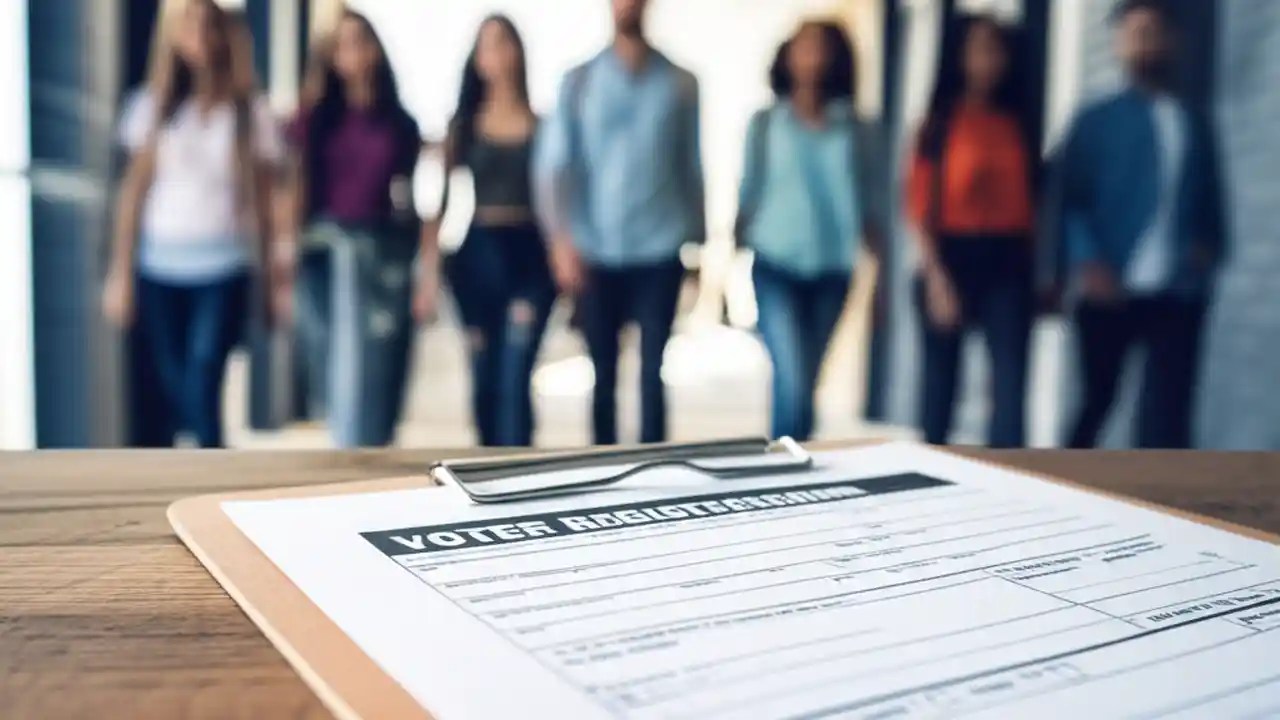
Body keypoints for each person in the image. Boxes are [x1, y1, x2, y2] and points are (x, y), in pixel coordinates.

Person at [103, 0, 282, 448]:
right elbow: (132, 195)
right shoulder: (150, 108)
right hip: (160, 267)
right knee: (174, 380)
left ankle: (211, 466)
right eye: (189, 26)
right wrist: (119, 274)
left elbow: (265, 204)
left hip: (223, 266)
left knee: (204, 374)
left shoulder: (248, 112)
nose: (200, 37)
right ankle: (200, 460)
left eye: (209, 26)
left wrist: (272, 279)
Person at [535, 0, 705, 446]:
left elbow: (690, 165)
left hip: (660, 245)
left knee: (653, 372)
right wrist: (560, 241)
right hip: (596, 248)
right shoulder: (579, 82)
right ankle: (605, 463)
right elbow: (555, 167)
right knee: (602, 372)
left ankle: (656, 465)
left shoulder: (681, 84)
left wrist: (699, 243)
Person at [1059, 0, 1224, 449]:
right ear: (1119, 44)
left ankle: (1164, 492)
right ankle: (1063, 483)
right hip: (1108, 287)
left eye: (1152, 33)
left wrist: (1207, 249)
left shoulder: (1192, 121)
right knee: (1096, 402)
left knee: (1169, 414)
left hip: (1176, 291)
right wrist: (1088, 262)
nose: (1143, 44)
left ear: (1172, 40)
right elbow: (1069, 200)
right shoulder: (1096, 121)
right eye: (1133, 34)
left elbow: (1210, 199)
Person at [284, 10, 428, 448]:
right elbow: (295, 186)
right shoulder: (315, 119)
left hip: (380, 253)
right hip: (324, 252)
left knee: (379, 366)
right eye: (342, 44)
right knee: (333, 364)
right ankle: (345, 448)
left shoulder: (399, 123)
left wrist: (420, 266)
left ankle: (372, 447)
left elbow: (408, 197)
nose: (354, 53)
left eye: (361, 41)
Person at [736, 21, 885, 442]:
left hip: (832, 268)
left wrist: (881, 278)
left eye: (821, 49)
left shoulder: (858, 131)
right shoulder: (766, 123)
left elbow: (872, 203)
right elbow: (748, 191)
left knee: (807, 384)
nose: (813, 58)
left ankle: (794, 457)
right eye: (804, 48)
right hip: (775, 263)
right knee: (793, 379)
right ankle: (782, 464)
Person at [905, 15, 1038, 448]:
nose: (988, 61)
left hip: (1008, 261)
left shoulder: (1019, 125)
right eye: (978, 50)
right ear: (959, 57)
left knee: (1010, 391)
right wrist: (936, 279)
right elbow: (919, 207)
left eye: (996, 50)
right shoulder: (939, 125)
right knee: (940, 392)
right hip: (950, 256)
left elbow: (1033, 204)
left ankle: (1008, 474)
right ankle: (932, 472)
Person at [428, 16, 555, 448]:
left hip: (529, 256)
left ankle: (519, 467)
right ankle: (487, 466)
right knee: (483, 377)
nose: (497, 54)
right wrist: (429, 271)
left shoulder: (543, 126)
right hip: (476, 259)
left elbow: (558, 199)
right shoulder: (463, 126)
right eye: (487, 45)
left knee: (515, 375)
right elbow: (439, 203)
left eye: (504, 42)